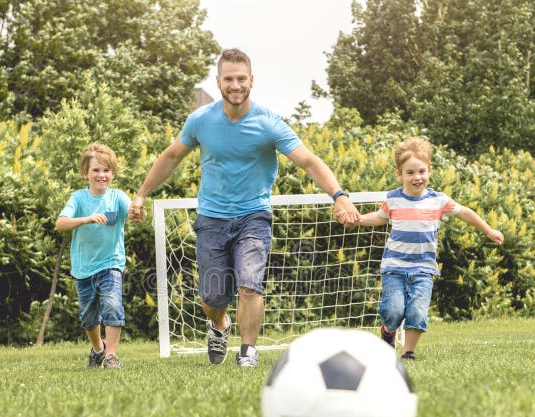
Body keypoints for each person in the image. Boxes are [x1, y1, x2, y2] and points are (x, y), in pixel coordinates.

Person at [128, 48, 360, 367]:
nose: (235, 85)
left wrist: (340, 195)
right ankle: (219, 325)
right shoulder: (201, 121)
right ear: (218, 81)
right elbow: (171, 157)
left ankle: (248, 350)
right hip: (211, 218)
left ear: (251, 80)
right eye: (228, 79)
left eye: (241, 78)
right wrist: (141, 194)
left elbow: (308, 161)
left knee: (250, 283)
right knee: (213, 297)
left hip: (254, 217)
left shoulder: (269, 123)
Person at [356, 136, 504, 360]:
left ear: (430, 171)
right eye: (410, 172)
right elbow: (378, 218)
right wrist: (356, 219)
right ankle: (388, 332)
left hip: (423, 268)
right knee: (393, 310)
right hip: (394, 267)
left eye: (422, 171)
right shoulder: (393, 199)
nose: (417, 177)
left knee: (417, 311)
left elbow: (465, 213)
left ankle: (408, 353)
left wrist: (488, 230)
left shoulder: (438, 201)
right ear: (400, 174)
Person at [55, 142, 132, 369]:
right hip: (84, 267)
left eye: (106, 170)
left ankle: (111, 355)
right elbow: (60, 223)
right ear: (85, 173)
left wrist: (138, 210)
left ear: (113, 173)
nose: (101, 175)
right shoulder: (78, 198)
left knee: (112, 305)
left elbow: (135, 213)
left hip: (111, 263)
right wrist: (87, 218)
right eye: (96, 170)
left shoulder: (118, 197)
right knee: (88, 317)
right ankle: (98, 349)